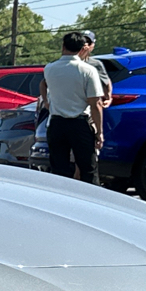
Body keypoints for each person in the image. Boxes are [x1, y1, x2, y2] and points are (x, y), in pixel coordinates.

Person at [41, 30, 107, 184]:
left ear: (63, 46)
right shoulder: (88, 70)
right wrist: (99, 132)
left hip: (56, 123)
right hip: (79, 123)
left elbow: (43, 84)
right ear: (82, 48)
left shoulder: (49, 68)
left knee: (59, 171)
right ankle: (90, 197)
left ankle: (60, 197)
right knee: (88, 170)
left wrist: (46, 101)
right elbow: (95, 104)